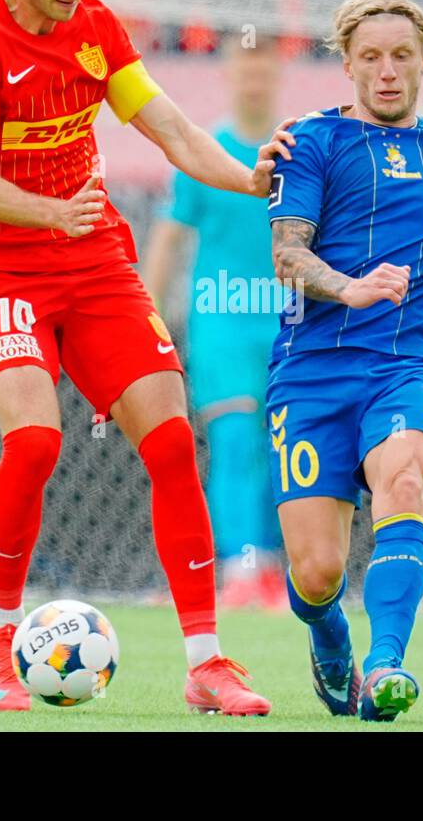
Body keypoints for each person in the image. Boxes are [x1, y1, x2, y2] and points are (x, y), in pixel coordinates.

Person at [0, 0, 294, 716]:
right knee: (34, 444)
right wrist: (54, 211)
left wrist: (248, 180)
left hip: (92, 262)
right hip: (3, 265)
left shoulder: (96, 31)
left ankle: (207, 661)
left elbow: (167, 128)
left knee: (170, 439)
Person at [266, 0, 423, 720]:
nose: (387, 70)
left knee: (404, 480)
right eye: (370, 57)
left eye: (401, 55)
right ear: (346, 64)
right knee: (316, 575)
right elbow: (287, 253)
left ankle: (384, 667)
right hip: (311, 374)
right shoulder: (309, 142)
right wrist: (347, 288)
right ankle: (331, 640)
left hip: (403, 368)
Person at [141, 33, 287, 611]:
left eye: (262, 70)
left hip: (290, 321)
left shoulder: (297, 151)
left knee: (288, 448)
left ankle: (279, 571)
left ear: (276, 75)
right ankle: (241, 569)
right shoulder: (207, 154)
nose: (253, 79)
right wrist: (145, 318)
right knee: (233, 439)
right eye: (243, 69)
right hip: (222, 321)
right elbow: (168, 238)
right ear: (229, 75)